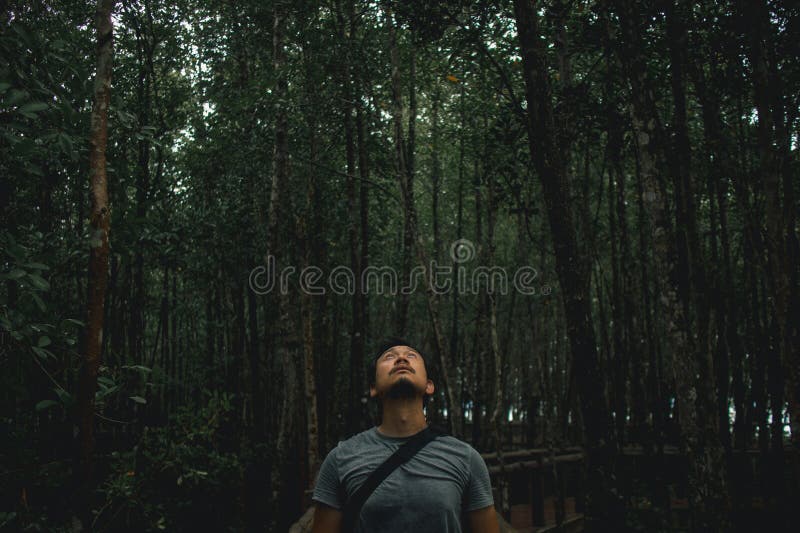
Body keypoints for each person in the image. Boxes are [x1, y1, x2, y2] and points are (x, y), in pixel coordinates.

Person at [311, 337, 500, 533]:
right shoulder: (340, 459)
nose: (401, 359)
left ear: (429, 386)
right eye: (390, 357)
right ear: (373, 388)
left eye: (411, 356)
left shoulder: (466, 459)